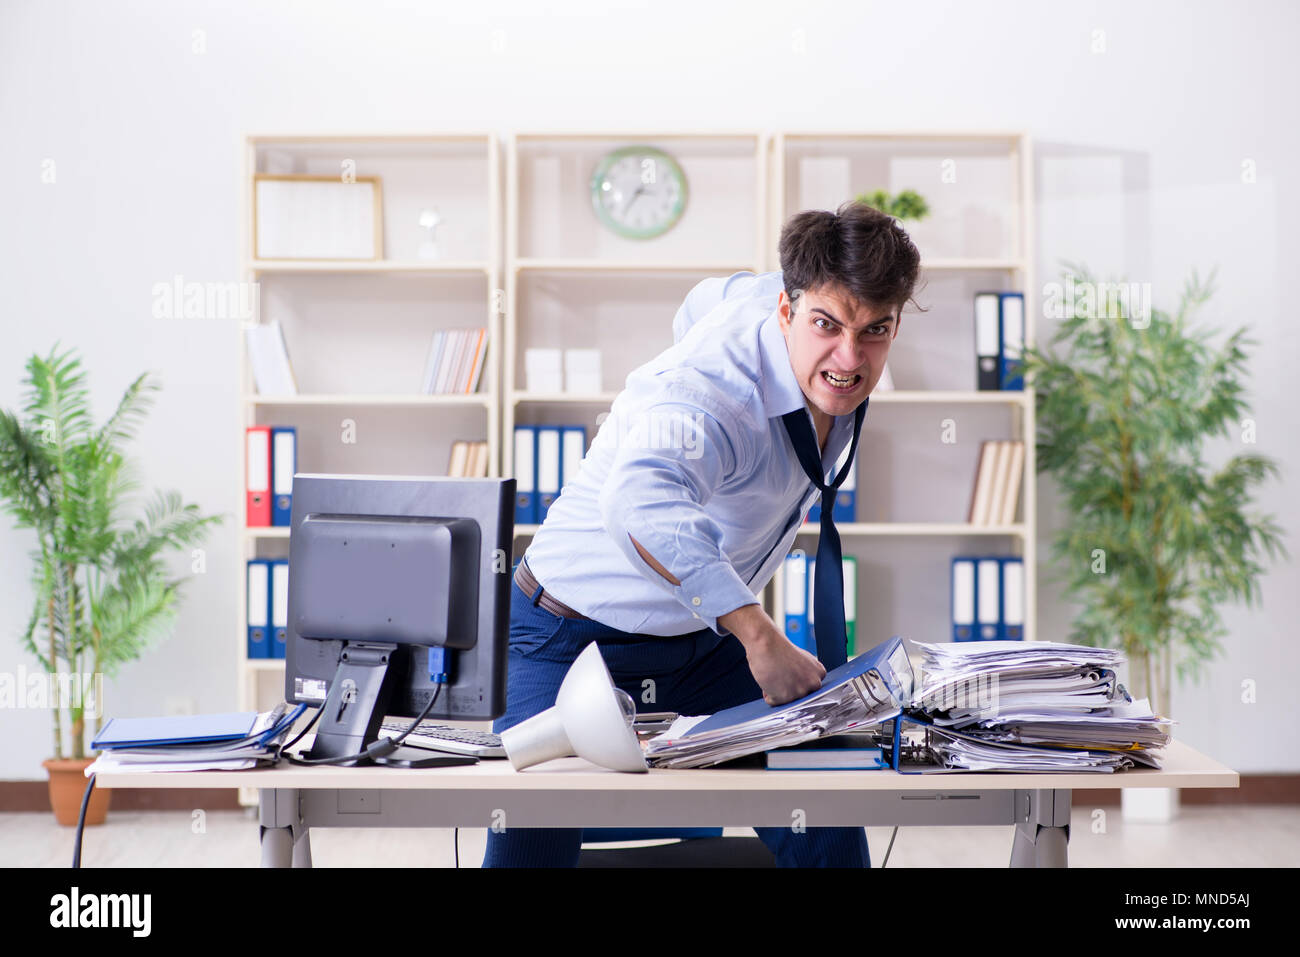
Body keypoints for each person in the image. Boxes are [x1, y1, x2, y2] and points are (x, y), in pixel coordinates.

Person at [484, 201, 921, 867]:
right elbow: (638, 502)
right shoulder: (711, 397)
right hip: (569, 635)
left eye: (875, 331)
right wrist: (758, 634)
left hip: (700, 640)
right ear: (786, 309)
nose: (849, 357)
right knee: (533, 828)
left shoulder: (771, 312)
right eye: (826, 325)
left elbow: (704, 300)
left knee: (827, 812)